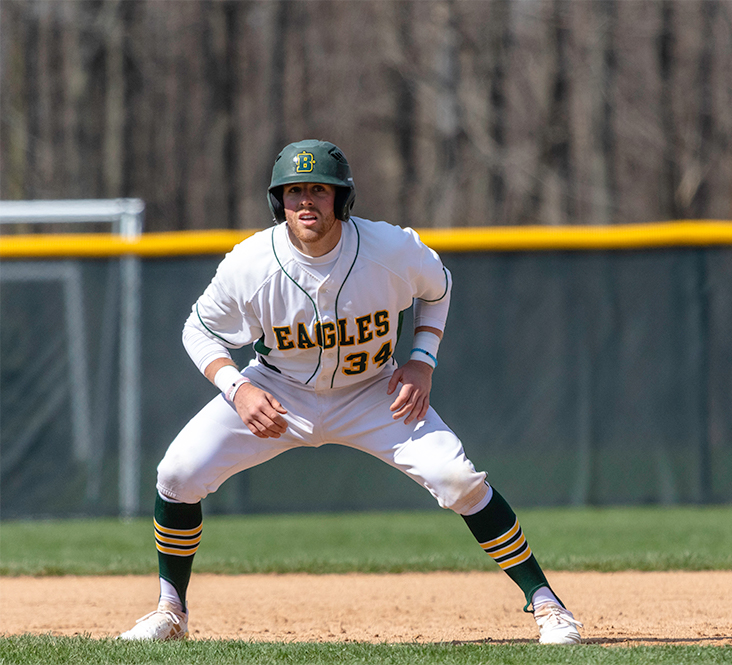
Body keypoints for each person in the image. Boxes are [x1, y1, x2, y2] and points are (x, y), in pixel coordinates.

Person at [118, 139, 582, 645]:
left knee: (458, 480)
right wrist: (237, 390)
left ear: (342, 198)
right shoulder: (251, 263)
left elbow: (438, 288)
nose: (306, 202)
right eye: (294, 192)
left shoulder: (390, 249)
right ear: (279, 202)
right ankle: (170, 610)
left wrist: (422, 362)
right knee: (177, 473)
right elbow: (198, 330)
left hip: (374, 391)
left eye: (319, 189)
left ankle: (548, 605)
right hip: (276, 390)